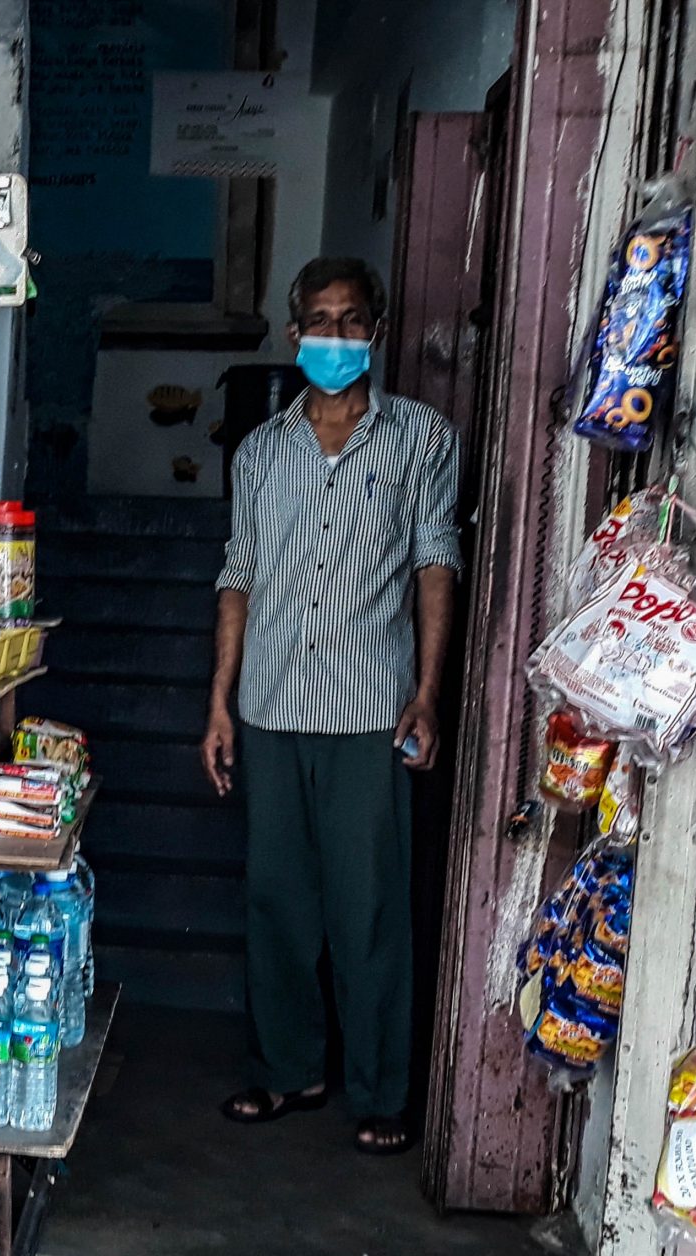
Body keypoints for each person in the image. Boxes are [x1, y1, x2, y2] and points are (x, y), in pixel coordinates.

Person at [199, 256, 460, 1157]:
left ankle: (382, 1089)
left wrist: (426, 692)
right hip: (271, 704)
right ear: (293, 332)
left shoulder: (421, 439)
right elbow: (239, 576)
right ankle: (288, 1070)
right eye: (320, 320)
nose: (336, 337)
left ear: (377, 332)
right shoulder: (261, 453)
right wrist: (221, 704)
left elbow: (435, 563)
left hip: (367, 712)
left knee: (370, 910)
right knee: (276, 901)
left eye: (352, 321)